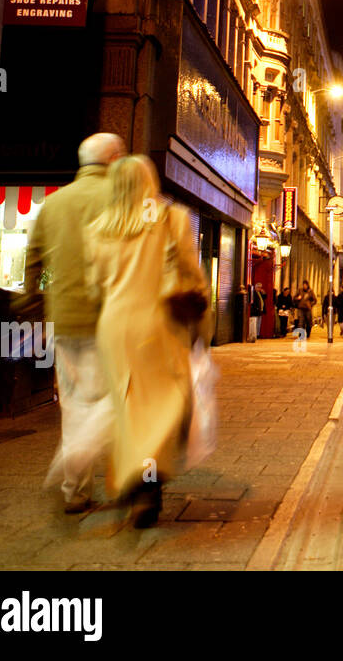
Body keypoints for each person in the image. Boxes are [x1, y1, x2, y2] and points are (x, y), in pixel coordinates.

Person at [87, 155, 211, 529]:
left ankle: (130, 477)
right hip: (158, 323)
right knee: (164, 406)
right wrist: (202, 317)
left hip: (114, 325)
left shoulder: (99, 227)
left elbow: (95, 286)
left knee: (127, 409)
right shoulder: (171, 218)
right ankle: (147, 486)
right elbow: (189, 271)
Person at [21, 132, 126, 514]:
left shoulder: (54, 202)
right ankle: (106, 468)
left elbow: (33, 257)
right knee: (114, 401)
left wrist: (29, 297)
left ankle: (75, 490)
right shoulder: (122, 199)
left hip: (63, 319)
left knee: (75, 403)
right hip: (111, 319)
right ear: (114, 159)